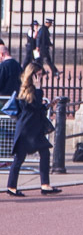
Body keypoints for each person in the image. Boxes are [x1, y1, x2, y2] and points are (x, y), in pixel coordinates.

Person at [6, 62, 61, 198]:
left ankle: (45, 185)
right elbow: (33, 107)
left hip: (33, 129)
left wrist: (48, 105)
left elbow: (36, 109)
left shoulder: (34, 90)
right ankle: (11, 187)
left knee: (45, 154)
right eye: (39, 75)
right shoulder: (26, 89)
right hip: (26, 129)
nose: (40, 78)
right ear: (32, 75)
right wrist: (38, 89)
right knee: (19, 158)